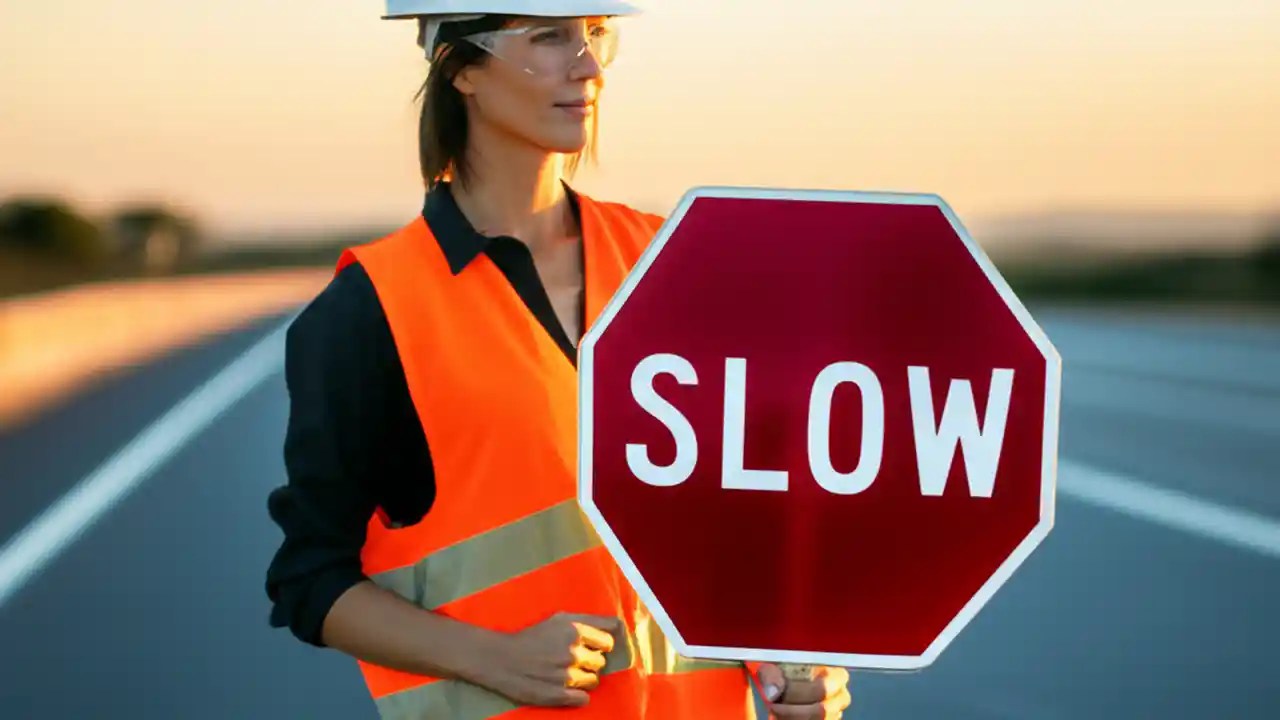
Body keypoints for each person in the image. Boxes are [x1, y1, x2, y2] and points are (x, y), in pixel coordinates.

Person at [264, 1, 854, 718]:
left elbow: (743, 505)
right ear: (462, 70)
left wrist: (787, 658)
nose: (588, 67)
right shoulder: (370, 311)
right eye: (549, 38)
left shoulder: (673, 261)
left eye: (595, 35)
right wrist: (494, 658)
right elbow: (310, 580)